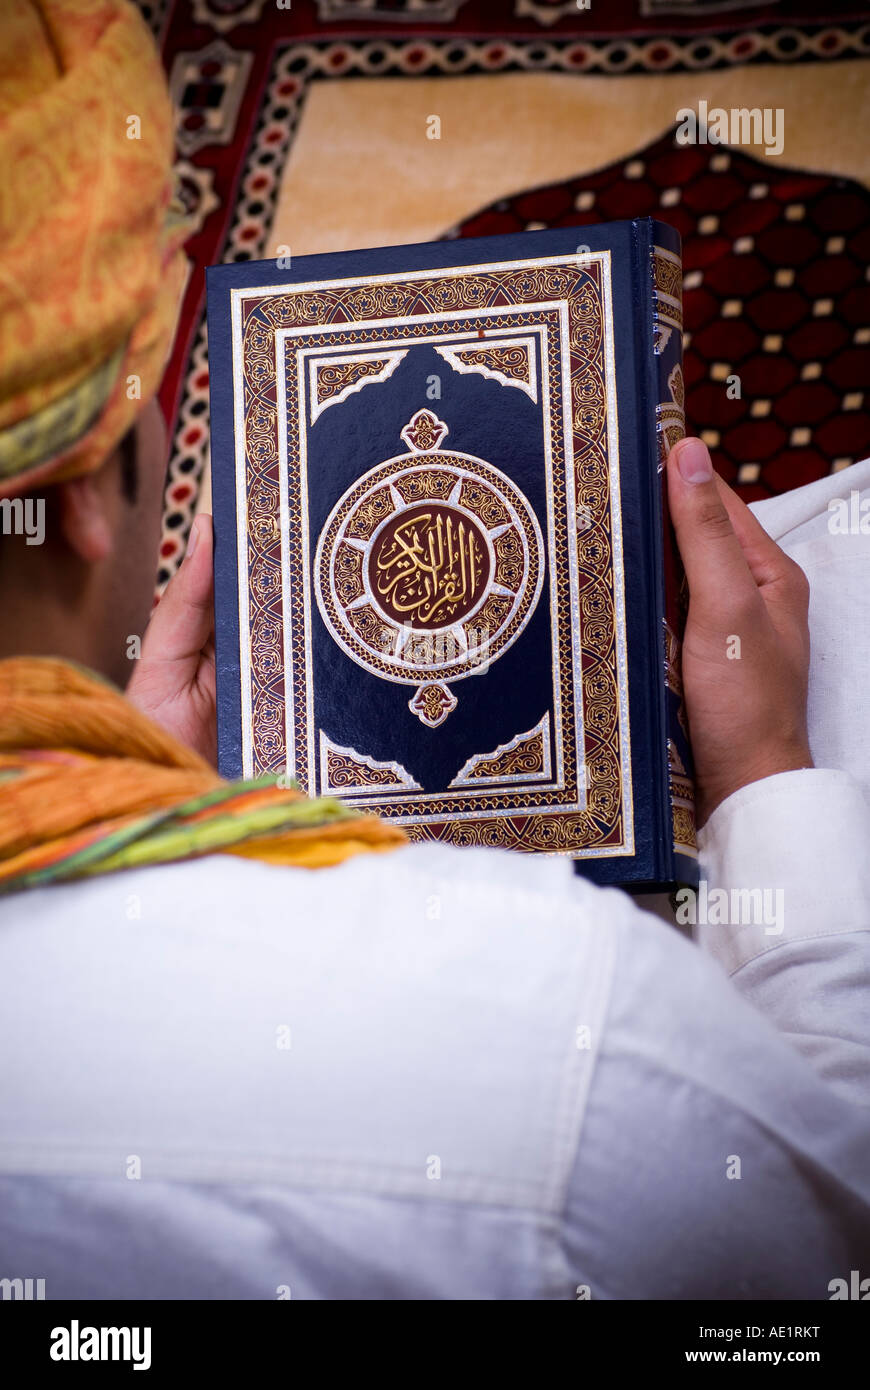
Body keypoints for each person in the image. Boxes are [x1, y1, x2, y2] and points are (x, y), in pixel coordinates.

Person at [0, 0, 867, 1300]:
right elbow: (824, 1241)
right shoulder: (563, 1022)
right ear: (79, 496)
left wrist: (165, 799)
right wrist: (763, 778)